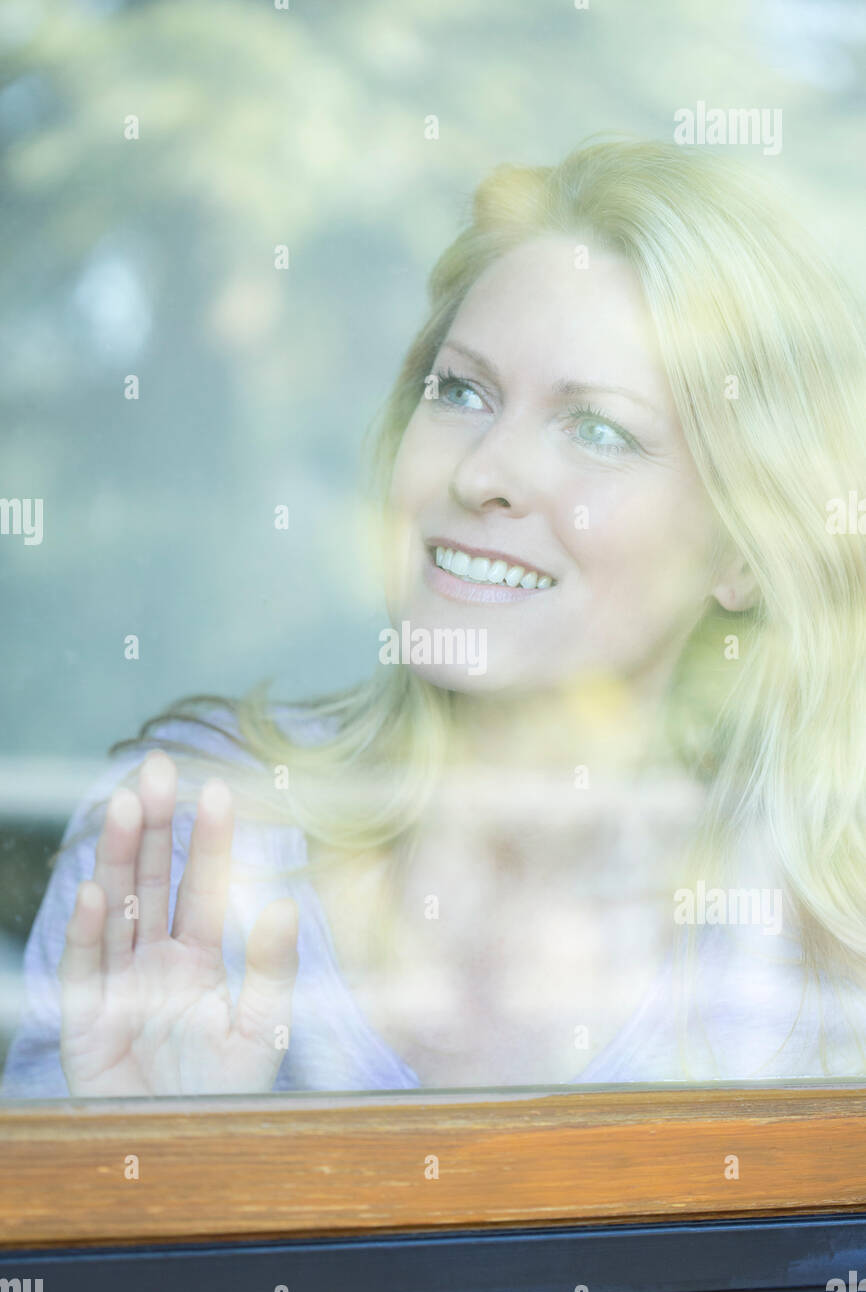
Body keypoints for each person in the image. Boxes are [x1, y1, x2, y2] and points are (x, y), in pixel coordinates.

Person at [5, 136, 866, 1098]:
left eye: (599, 430)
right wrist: (164, 1182)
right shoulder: (185, 851)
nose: (481, 471)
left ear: (742, 552)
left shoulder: (821, 969)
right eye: (461, 392)